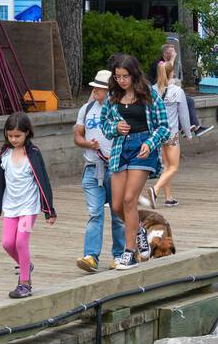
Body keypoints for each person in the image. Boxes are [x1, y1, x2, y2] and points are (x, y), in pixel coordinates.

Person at [101, 53, 171, 270]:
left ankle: (129, 252)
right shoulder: (112, 97)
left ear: (134, 75)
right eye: (118, 76)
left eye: (125, 76)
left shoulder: (149, 94)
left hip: (143, 147)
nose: (121, 80)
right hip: (120, 149)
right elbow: (104, 124)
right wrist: (115, 128)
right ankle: (139, 229)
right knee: (116, 204)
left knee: (130, 200)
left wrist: (150, 143)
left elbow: (164, 126)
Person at [0, 111, 56, 299]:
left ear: (27, 133)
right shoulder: (4, 154)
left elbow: (44, 181)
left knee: (21, 242)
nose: (14, 139)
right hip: (11, 206)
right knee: (7, 243)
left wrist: (49, 210)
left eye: (18, 136)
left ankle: (25, 283)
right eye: (10, 136)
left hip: (28, 207)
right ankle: (26, 265)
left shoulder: (33, 153)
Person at [73, 70, 124, 273]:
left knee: (118, 213)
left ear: (110, 90)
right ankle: (91, 256)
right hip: (92, 168)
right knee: (94, 213)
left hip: (116, 168)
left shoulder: (119, 109)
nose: (95, 90)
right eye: (94, 87)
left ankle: (120, 255)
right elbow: (77, 135)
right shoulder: (86, 109)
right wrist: (87, 143)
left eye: (100, 88)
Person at [148, 60, 192, 208]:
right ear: (171, 73)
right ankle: (155, 189)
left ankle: (169, 198)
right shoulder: (177, 91)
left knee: (166, 165)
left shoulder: (152, 91)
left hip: (157, 133)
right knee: (173, 167)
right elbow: (184, 115)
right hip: (171, 133)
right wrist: (188, 133)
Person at [158, 43, 213, 138]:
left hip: (167, 94)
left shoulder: (168, 62)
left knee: (189, 101)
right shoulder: (160, 64)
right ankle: (187, 128)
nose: (173, 54)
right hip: (162, 94)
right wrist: (173, 59)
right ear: (164, 54)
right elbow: (167, 74)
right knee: (182, 103)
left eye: (174, 52)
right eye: (170, 52)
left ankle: (194, 127)